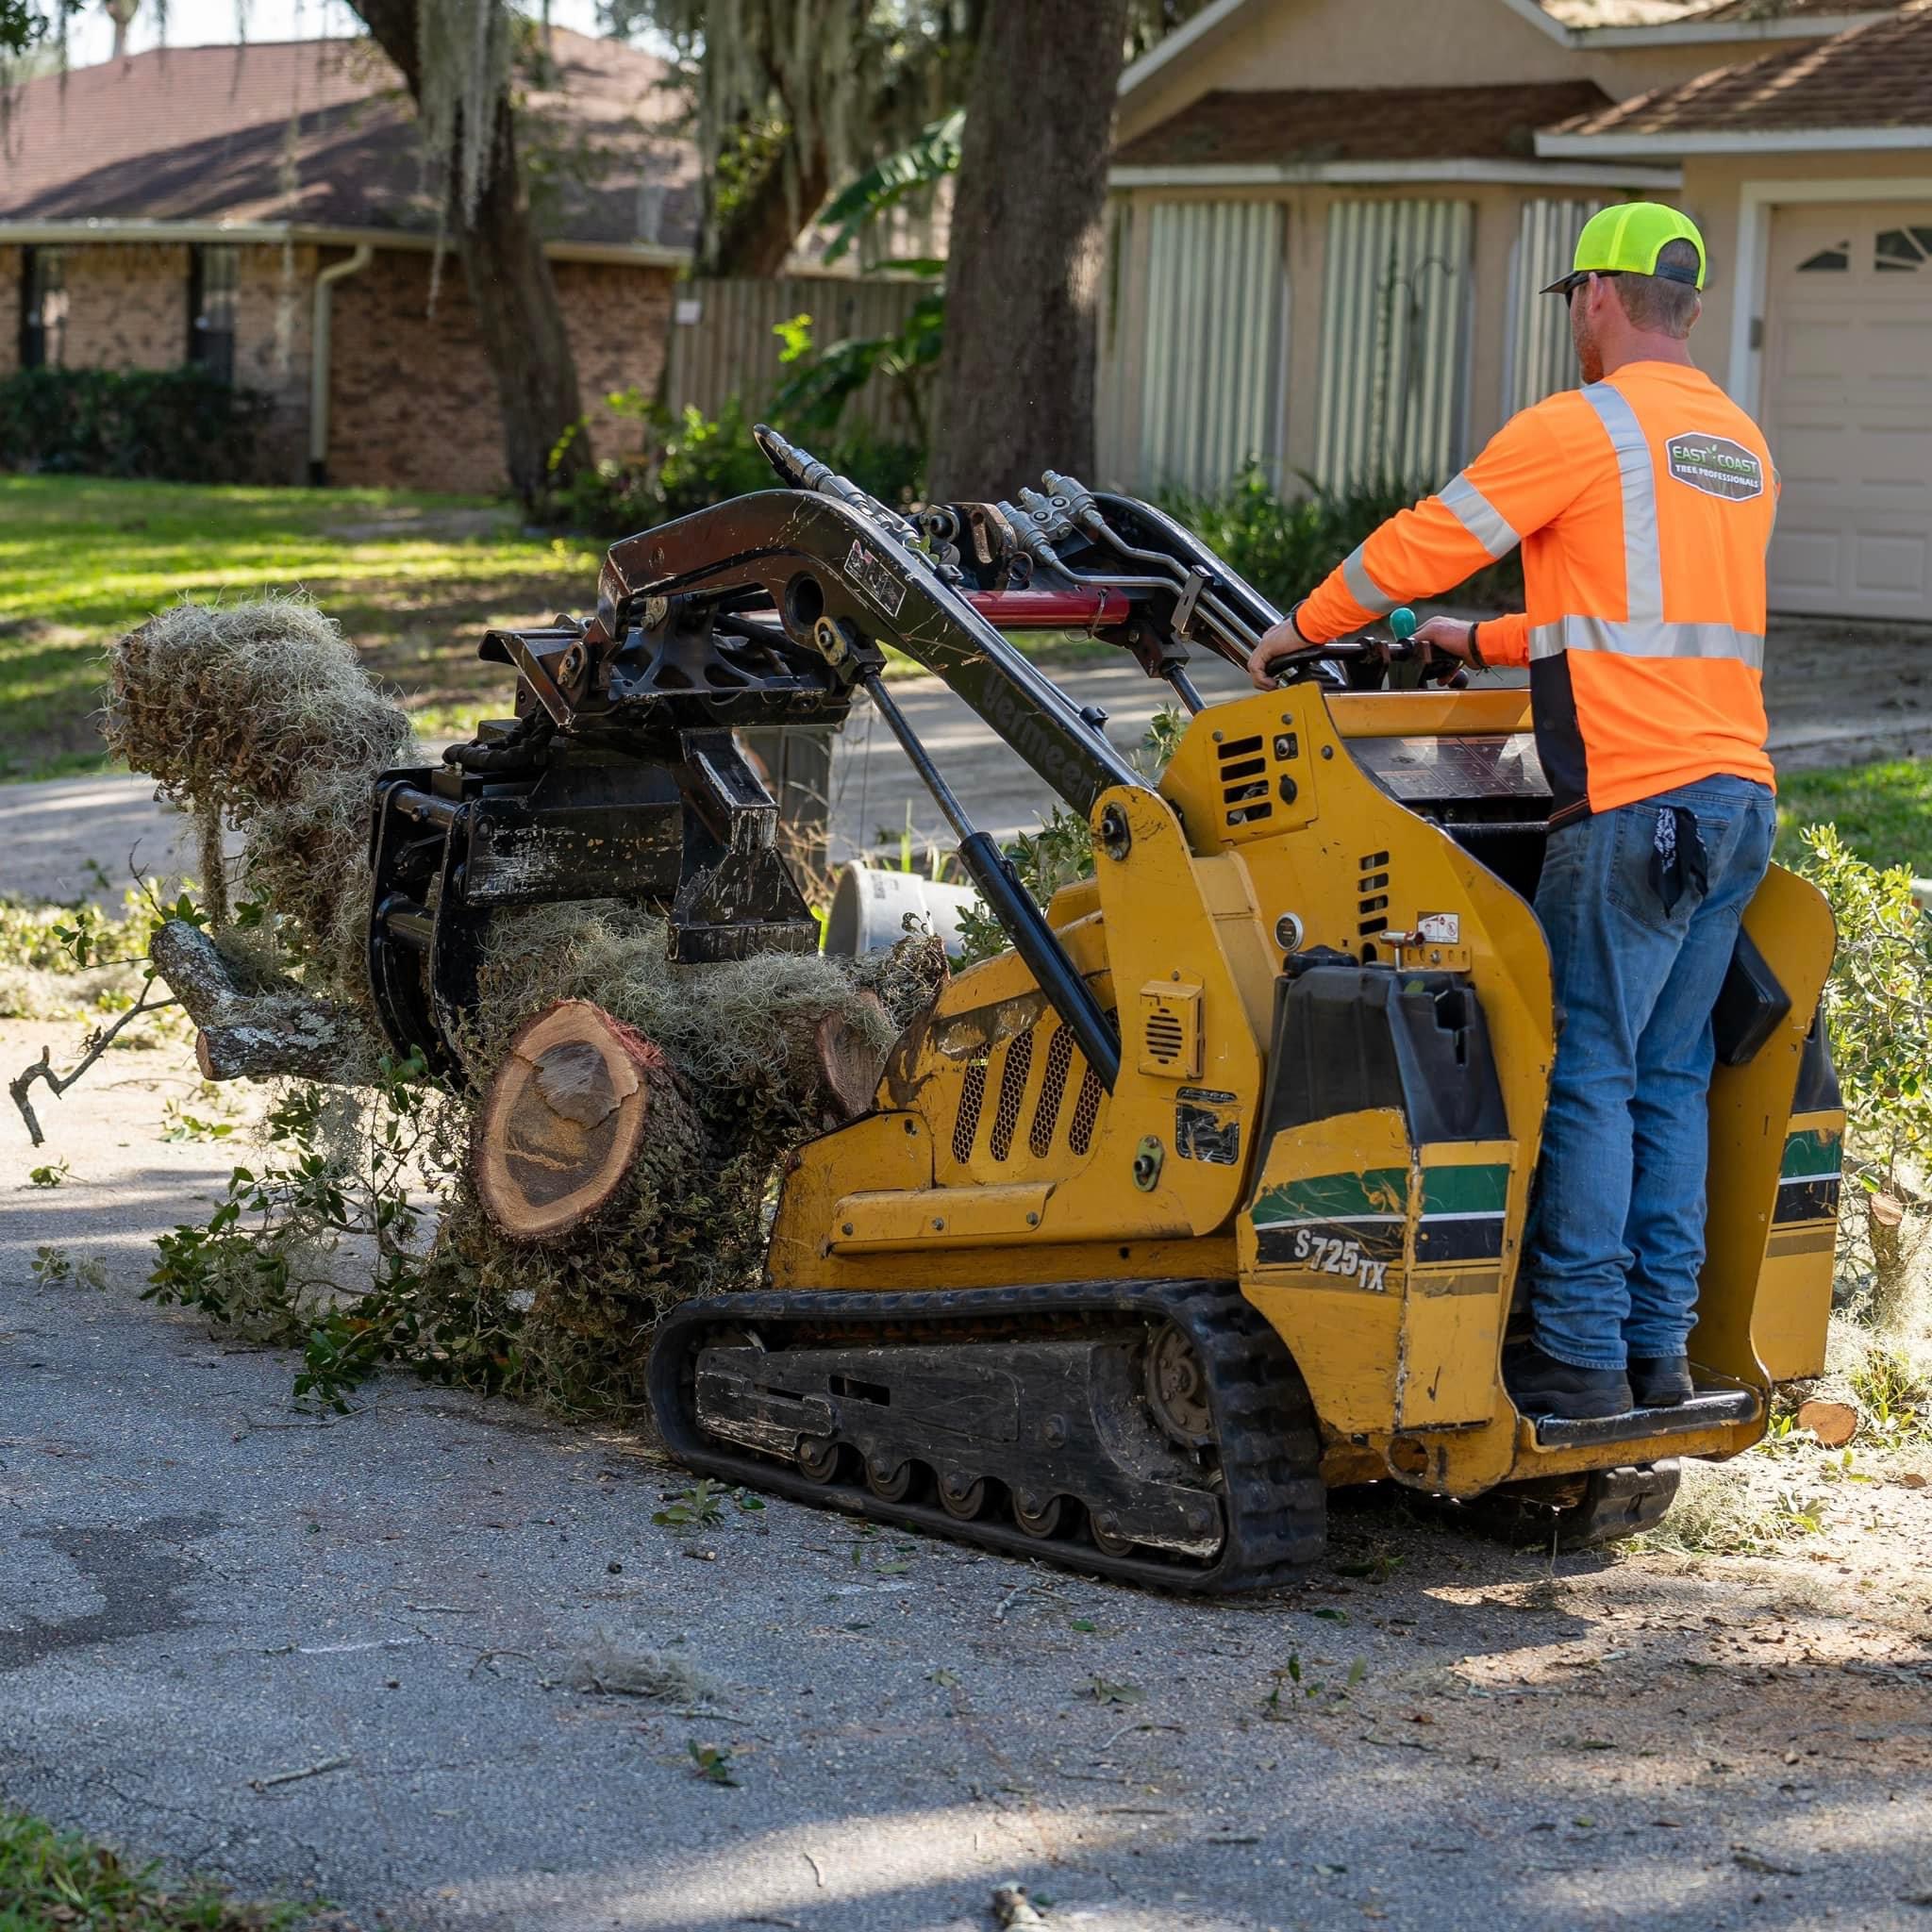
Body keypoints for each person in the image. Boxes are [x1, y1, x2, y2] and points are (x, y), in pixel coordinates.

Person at [1246, 204, 1778, 1422]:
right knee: (1668, 1075)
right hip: (1737, 802)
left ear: (1598, 297)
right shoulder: (1737, 444)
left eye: (1574, 304)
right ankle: (1660, 1353)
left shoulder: (1583, 427)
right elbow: (1634, 618)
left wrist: (1300, 630)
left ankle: (1580, 1358)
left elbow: (1428, 540)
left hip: (1636, 808)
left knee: (1588, 1070)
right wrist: (1477, 643)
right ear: (1683, 307)